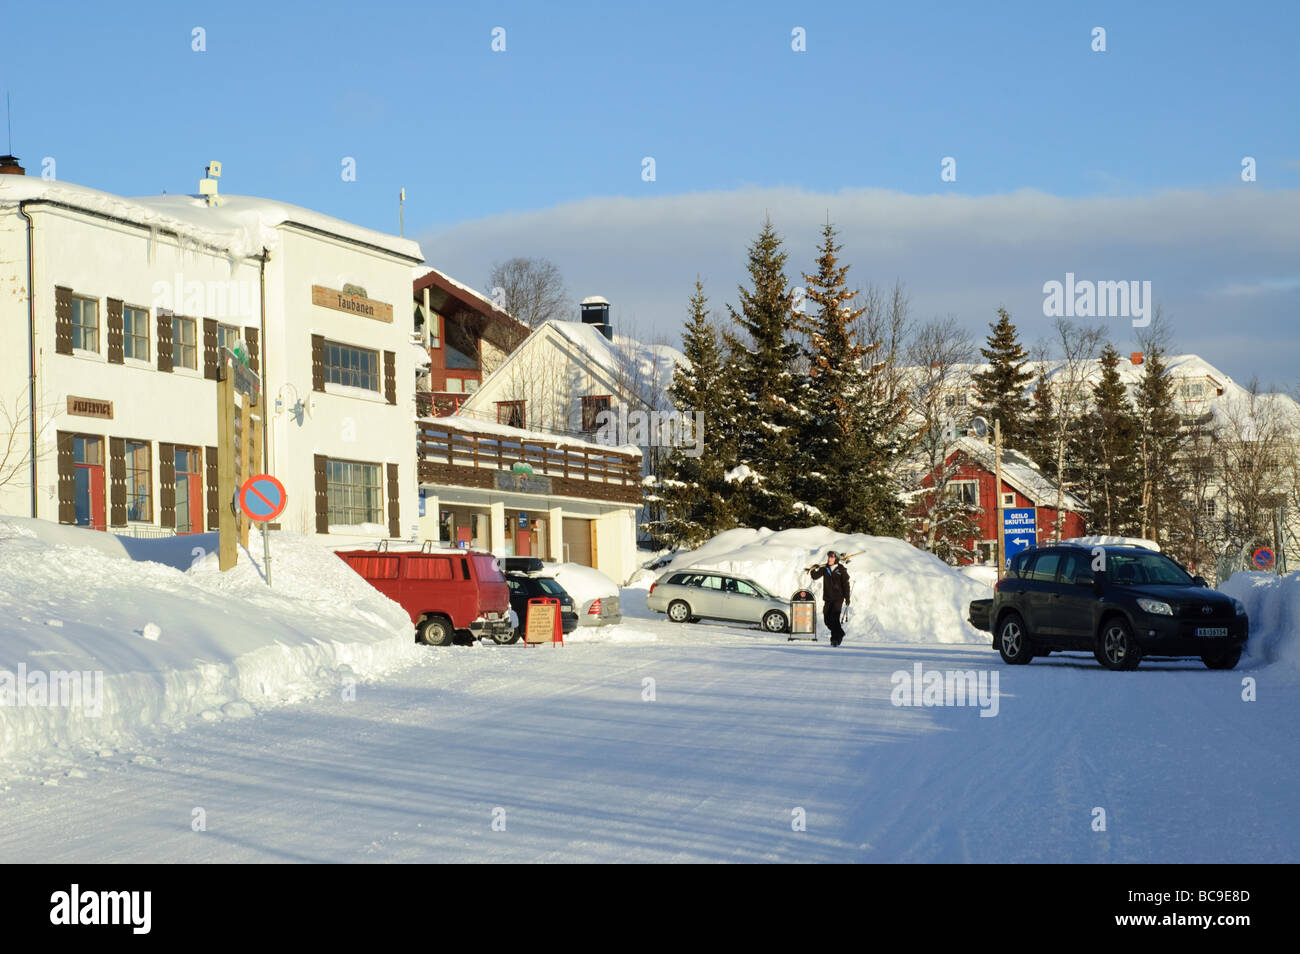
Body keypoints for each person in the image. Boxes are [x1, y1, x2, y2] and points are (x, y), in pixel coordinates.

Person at [810, 550, 850, 646]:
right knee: (827, 620)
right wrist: (813, 569)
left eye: (831, 557)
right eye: (828, 557)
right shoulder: (825, 569)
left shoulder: (841, 569)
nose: (829, 559)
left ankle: (835, 639)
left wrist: (847, 597)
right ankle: (840, 632)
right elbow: (815, 576)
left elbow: (846, 584)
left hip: (838, 598)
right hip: (828, 598)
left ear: (836, 559)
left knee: (834, 619)